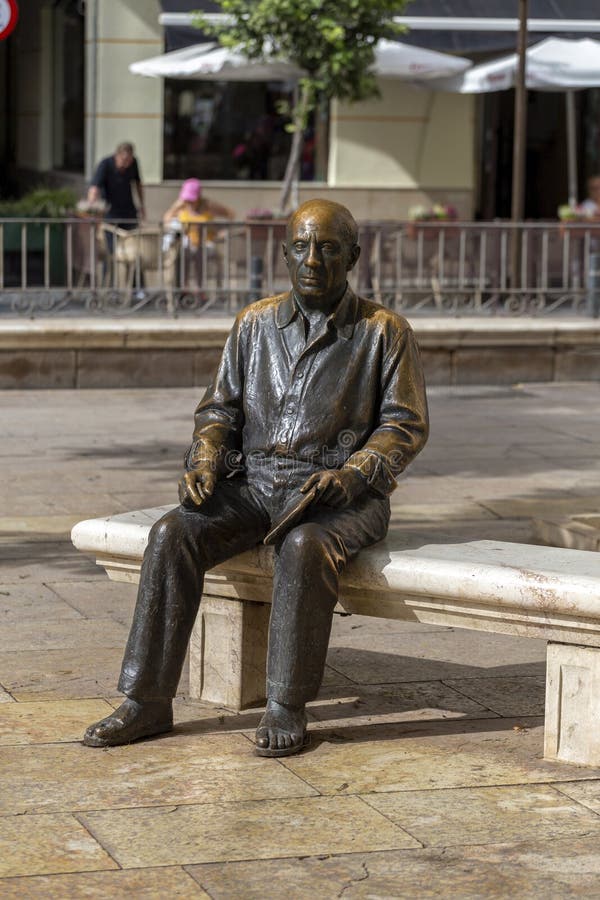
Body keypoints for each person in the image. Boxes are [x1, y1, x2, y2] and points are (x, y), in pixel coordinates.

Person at [83, 199, 429, 757]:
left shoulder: (383, 332)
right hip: (256, 484)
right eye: (300, 246)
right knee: (172, 534)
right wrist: (203, 461)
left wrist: (353, 474)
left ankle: (285, 704)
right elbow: (219, 411)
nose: (312, 259)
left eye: (328, 247)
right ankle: (146, 700)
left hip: (341, 497)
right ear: (286, 253)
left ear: (353, 256)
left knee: (305, 546)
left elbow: (404, 426)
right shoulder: (254, 323)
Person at [162, 179, 233, 290]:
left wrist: (222, 231)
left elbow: (230, 214)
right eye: (187, 199)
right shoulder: (181, 207)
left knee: (199, 253)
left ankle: (199, 289)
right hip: (187, 244)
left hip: (207, 243)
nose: (190, 202)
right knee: (183, 253)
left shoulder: (208, 206)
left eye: (192, 199)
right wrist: (176, 205)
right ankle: (184, 288)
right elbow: (166, 220)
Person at [88, 141, 145, 230]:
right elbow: (94, 188)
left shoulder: (133, 163)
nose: (126, 164)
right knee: (112, 241)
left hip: (128, 211)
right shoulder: (105, 164)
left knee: (131, 241)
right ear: (116, 156)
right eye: (124, 160)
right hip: (110, 211)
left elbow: (138, 184)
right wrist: (92, 209)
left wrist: (142, 206)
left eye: (129, 160)